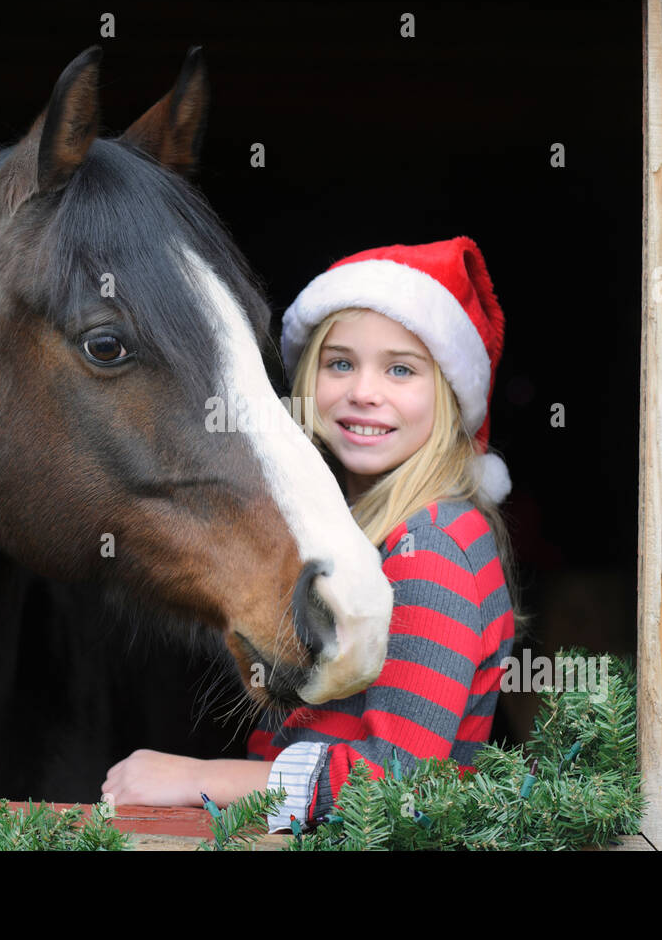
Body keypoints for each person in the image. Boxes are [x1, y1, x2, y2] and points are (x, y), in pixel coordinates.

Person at [101, 236, 525, 832]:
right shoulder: (355, 531)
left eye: (400, 369)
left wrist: (201, 777)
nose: (363, 391)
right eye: (340, 363)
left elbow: (400, 781)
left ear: (451, 395)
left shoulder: (433, 543)